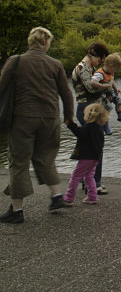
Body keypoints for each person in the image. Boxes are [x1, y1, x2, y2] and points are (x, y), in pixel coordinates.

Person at [0, 27, 75, 223]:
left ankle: (17, 211)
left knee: (19, 162)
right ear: (45, 42)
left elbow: (1, 87)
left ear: (30, 41)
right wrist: (69, 117)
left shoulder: (16, 61)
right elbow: (66, 93)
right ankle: (56, 196)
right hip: (50, 118)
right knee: (46, 158)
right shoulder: (55, 63)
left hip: (23, 118)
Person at [71, 41, 111, 195]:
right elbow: (90, 87)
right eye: (100, 58)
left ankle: (85, 179)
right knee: (96, 145)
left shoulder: (89, 68)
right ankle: (95, 183)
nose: (100, 62)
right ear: (94, 53)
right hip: (88, 109)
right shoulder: (83, 68)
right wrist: (106, 86)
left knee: (88, 145)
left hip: (88, 108)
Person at [63, 102, 109, 205]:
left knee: (75, 176)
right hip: (95, 158)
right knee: (89, 176)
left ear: (89, 115)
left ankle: (68, 198)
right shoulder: (98, 128)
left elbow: (80, 134)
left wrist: (70, 124)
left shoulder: (89, 127)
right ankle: (92, 197)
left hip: (87, 157)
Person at [94, 53, 121, 134]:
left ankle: (120, 117)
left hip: (110, 91)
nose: (116, 71)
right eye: (116, 69)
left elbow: (112, 81)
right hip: (101, 93)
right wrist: (103, 86)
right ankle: (105, 125)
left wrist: (116, 89)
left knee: (118, 101)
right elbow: (92, 82)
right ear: (110, 66)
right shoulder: (99, 74)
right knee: (108, 107)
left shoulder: (110, 72)